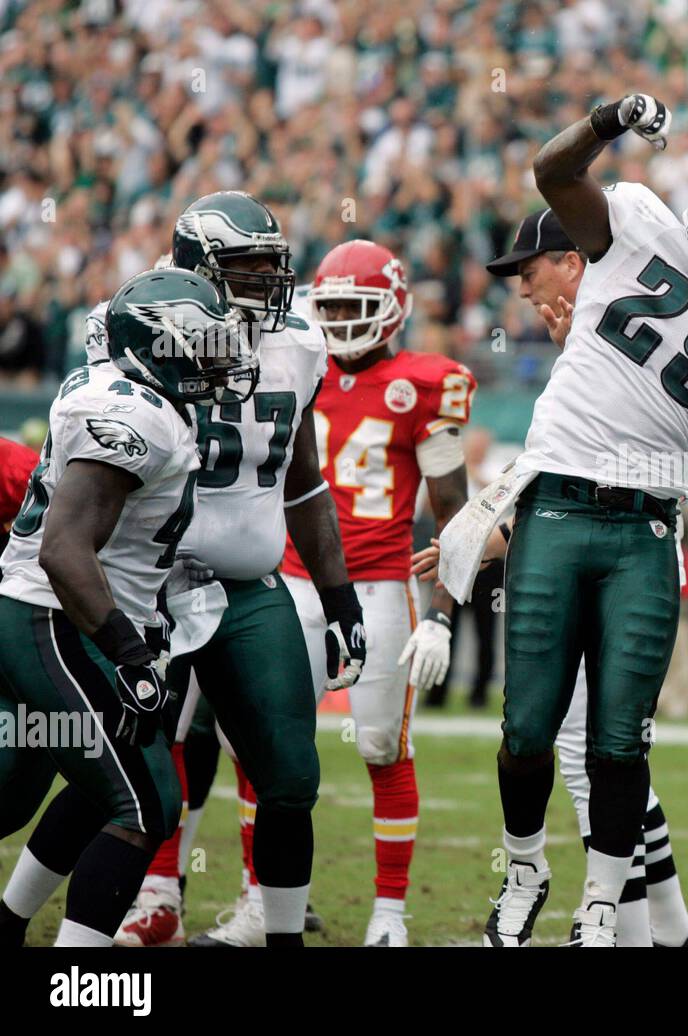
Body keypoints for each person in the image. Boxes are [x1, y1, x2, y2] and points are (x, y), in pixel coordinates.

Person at [458, 93, 688, 946]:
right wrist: (610, 118)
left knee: (618, 740)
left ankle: (606, 911)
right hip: (558, 498)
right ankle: (527, 871)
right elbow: (551, 172)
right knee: (530, 726)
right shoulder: (639, 220)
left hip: (647, 520)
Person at [430, 207, 688, 946]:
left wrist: (496, 534)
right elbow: (573, 455)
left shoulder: (629, 332)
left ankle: (643, 930)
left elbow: (612, 459)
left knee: (606, 753)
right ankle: (665, 934)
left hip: (633, 542)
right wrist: (502, 536)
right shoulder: (592, 344)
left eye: (530, 269)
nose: (521, 287)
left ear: (576, 262)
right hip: (569, 538)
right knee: (583, 749)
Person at [103, 192, 365, 949]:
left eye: (269, 268)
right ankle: (110, 909)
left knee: (291, 775)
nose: (263, 286)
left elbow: (304, 480)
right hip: (151, 584)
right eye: (243, 270)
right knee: (132, 776)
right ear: (194, 271)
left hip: (250, 587)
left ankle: (280, 935)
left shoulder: (298, 345)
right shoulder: (135, 326)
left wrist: (338, 590)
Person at [0, 268, 229, 946]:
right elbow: (65, 551)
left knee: (71, 787)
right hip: (53, 622)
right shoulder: (138, 415)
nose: (214, 359)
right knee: (145, 798)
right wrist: (130, 654)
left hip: (45, 619)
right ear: (155, 346)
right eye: (199, 344)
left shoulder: (116, 390)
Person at [276, 238, 474, 946]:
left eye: (356, 308)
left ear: (394, 310)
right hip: (294, 578)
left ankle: (389, 912)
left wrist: (445, 616)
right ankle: (267, 902)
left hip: (383, 582)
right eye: (329, 308)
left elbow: (454, 510)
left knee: (383, 743)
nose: (341, 322)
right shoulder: (296, 366)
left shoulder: (428, 382)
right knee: (268, 745)